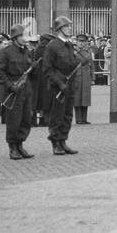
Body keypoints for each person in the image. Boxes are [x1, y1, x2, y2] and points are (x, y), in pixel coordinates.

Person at [0, 23, 37, 160]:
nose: (25, 38)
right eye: (23, 36)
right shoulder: (5, 52)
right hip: (13, 90)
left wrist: (34, 67)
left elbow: (31, 71)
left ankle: (20, 145)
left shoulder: (27, 51)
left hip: (26, 89)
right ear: (15, 37)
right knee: (14, 120)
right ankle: (12, 147)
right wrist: (10, 85)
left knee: (26, 119)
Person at [43, 16, 80, 154]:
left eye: (70, 26)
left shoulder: (69, 45)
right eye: (67, 26)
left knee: (67, 115)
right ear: (59, 29)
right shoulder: (52, 46)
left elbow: (71, 65)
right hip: (57, 87)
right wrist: (59, 83)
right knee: (57, 115)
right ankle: (55, 143)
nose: (70, 28)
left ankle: (63, 140)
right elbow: (47, 68)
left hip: (69, 85)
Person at [71, 33, 94, 125]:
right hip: (77, 77)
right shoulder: (74, 52)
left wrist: (93, 78)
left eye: (83, 42)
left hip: (86, 77)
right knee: (77, 99)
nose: (81, 43)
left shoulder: (88, 51)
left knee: (85, 98)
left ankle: (84, 118)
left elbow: (92, 65)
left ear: (86, 43)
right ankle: (78, 119)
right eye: (79, 41)